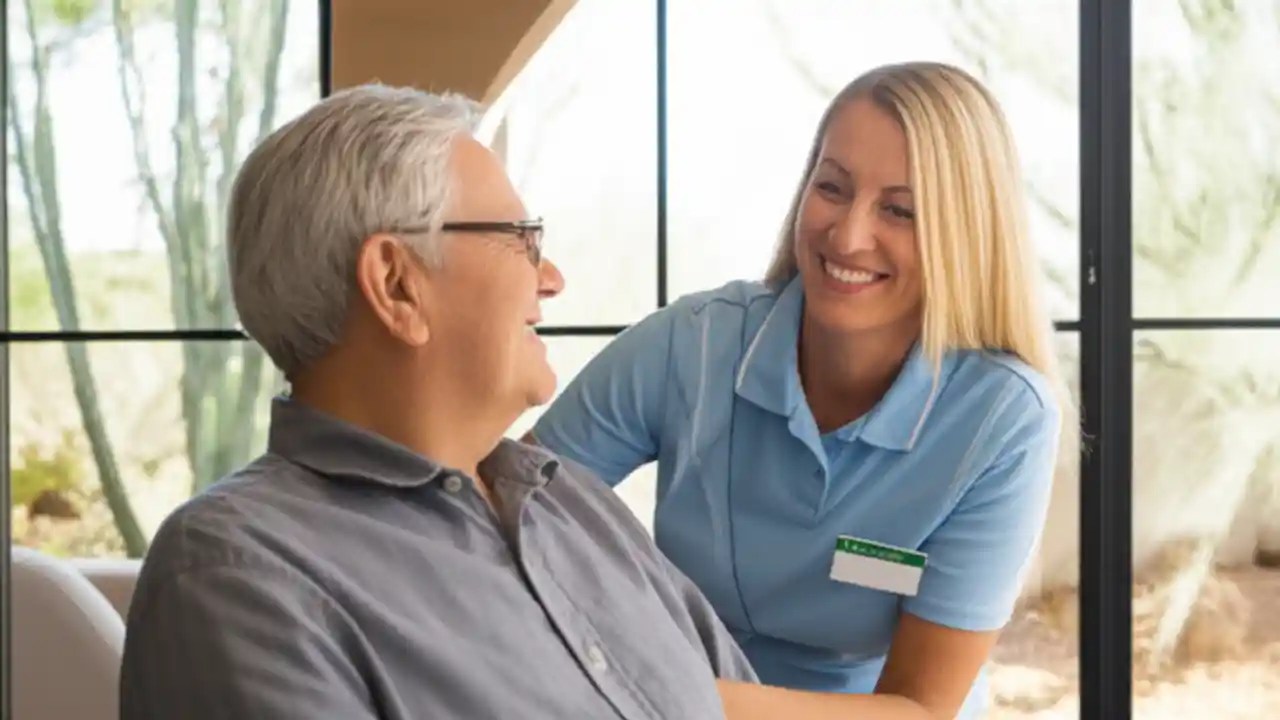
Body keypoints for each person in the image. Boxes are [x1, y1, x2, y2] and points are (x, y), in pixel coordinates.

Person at [118, 84, 759, 720]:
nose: (551, 278)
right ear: (397, 284)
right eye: (520, 238)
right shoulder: (236, 572)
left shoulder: (576, 506)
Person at [530, 61, 1074, 719]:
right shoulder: (692, 345)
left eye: (899, 210)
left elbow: (918, 709)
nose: (848, 235)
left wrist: (657, 692)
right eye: (832, 188)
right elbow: (504, 511)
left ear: (965, 234)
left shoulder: (1002, 418)